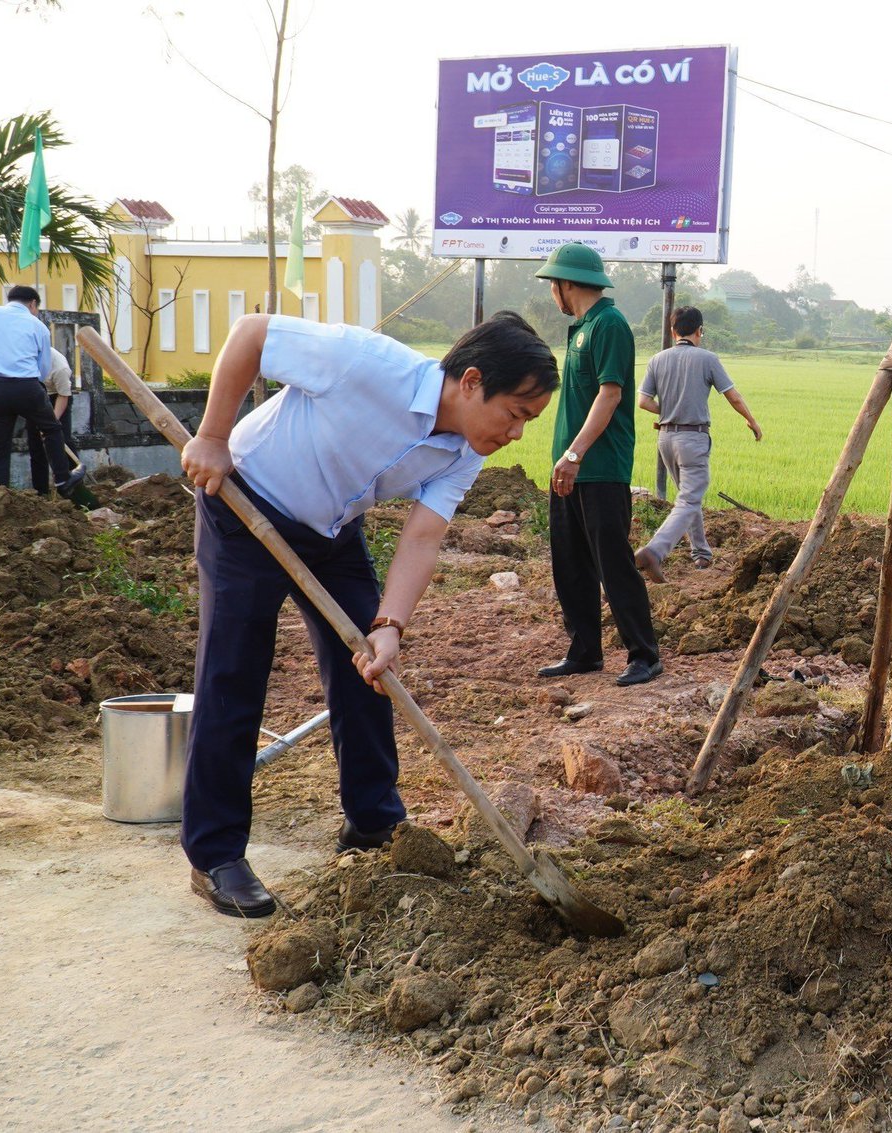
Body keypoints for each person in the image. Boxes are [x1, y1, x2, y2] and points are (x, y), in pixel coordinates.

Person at [176, 311, 558, 917]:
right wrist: (214, 437)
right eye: (515, 413)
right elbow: (250, 333)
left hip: (332, 530)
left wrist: (390, 627)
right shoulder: (365, 364)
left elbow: (424, 536)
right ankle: (216, 855)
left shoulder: (463, 451)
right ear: (472, 381)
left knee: (369, 671)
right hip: (245, 506)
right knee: (234, 676)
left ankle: (373, 825)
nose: (516, 433)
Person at [532, 242, 662, 687]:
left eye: (553, 285)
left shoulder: (609, 325)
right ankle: (584, 650)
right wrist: (563, 457)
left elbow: (611, 394)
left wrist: (574, 454)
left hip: (599, 466)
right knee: (570, 563)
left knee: (612, 562)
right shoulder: (583, 326)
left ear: (566, 284)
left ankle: (644, 654)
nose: (553, 294)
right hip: (569, 465)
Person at [633, 306, 762, 580]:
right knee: (690, 499)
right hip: (692, 439)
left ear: (672, 331)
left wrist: (667, 413)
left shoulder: (657, 359)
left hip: (666, 439)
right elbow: (733, 396)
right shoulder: (708, 358)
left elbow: (643, 401)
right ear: (700, 331)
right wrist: (752, 420)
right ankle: (655, 550)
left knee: (687, 497)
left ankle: (701, 554)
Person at [0, 284, 83, 495]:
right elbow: (43, 368)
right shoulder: (37, 325)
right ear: (32, 304)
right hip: (27, 386)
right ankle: (62, 480)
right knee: (51, 429)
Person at [26, 347, 82, 494]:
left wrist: (50, 424)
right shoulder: (25, 357)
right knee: (36, 444)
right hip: (36, 396)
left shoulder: (60, 368)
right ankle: (41, 491)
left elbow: (63, 396)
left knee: (62, 439)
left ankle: (75, 485)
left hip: (57, 397)